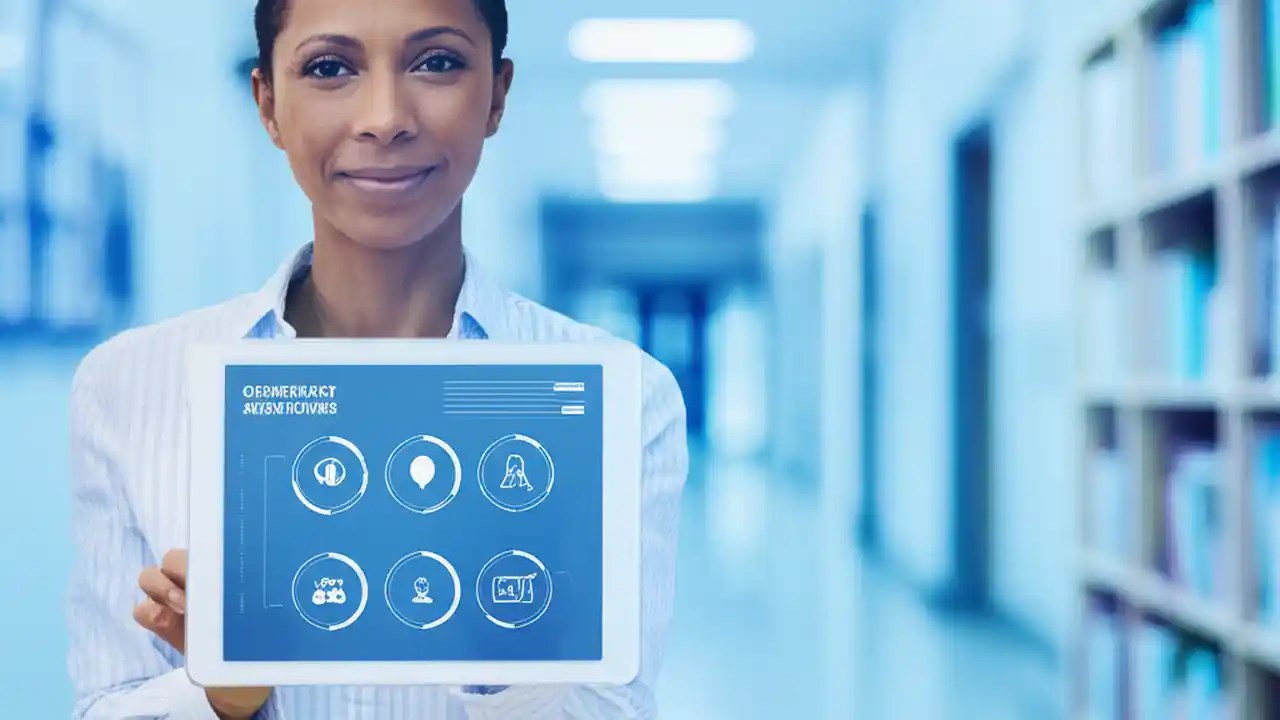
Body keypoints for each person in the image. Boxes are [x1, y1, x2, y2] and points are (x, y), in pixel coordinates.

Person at [65, 0, 689, 718]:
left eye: (438, 62)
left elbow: (607, 707)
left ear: (497, 95)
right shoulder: (129, 388)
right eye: (330, 68)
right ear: (268, 103)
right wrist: (223, 693)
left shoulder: (622, 400)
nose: (385, 116)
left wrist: (485, 623)